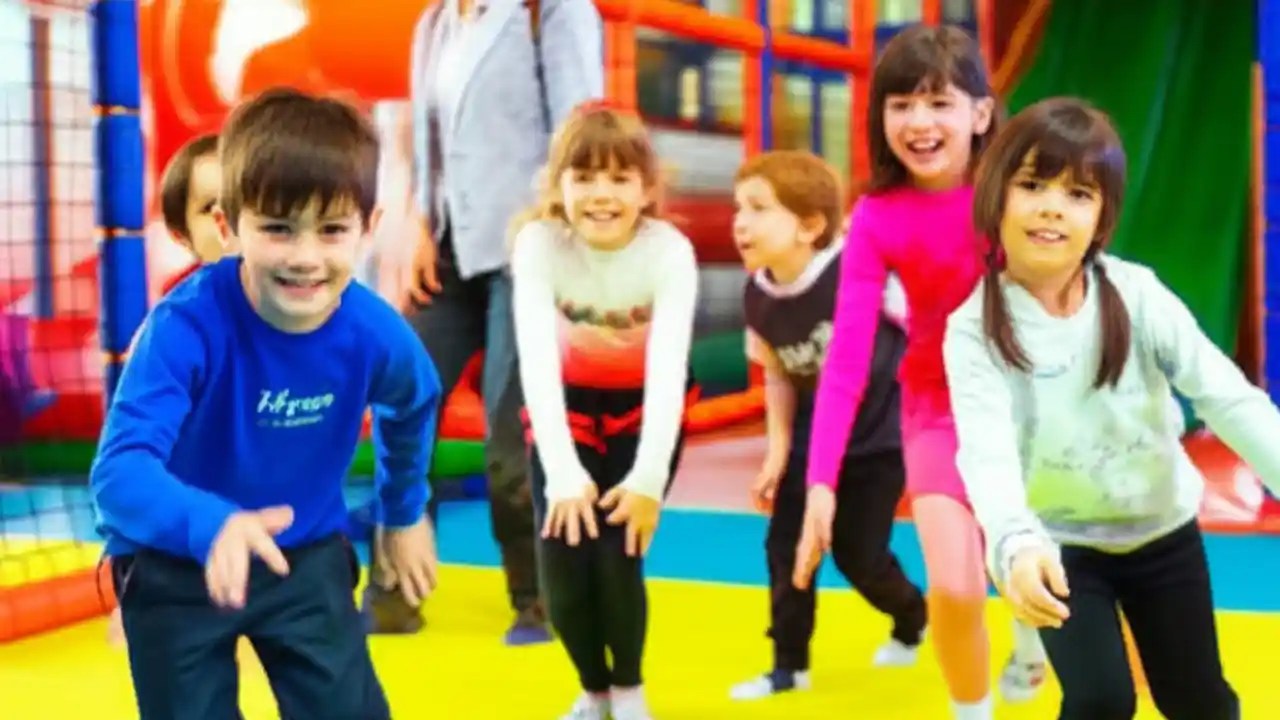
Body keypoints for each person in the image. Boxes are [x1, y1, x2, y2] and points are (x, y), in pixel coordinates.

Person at [89, 87, 441, 720]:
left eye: (332, 230)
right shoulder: (183, 328)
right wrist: (213, 524)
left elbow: (413, 401)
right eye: (278, 228)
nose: (305, 258)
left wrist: (404, 511)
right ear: (229, 227)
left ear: (368, 229)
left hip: (300, 553)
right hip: (176, 560)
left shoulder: (373, 332)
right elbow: (118, 473)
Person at [944, 96, 1255, 720]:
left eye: (1079, 194)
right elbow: (986, 453)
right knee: (1100, 700)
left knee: (1199, 701)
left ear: (1102, 217)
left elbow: (1226, 395)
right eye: (1032, 185)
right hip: (1060, 545)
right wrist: (1016, 545)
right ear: (996, 196)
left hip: (1161, 533)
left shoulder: (1136, 295)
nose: (1053, 206)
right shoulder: (973, 330)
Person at [791, 25, 1047, 719]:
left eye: (939, 102)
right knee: (956, 588)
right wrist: (820, 480)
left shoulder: (1014, 195)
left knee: (1031, 553)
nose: (919, 122)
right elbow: (846, 355)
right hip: (935, 405)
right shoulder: (877, 216)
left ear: (981, 113)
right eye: (901, 104)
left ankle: (1029, 634)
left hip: (1027, 401)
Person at [360, 0, 606, 642]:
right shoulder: (436, 22)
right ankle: (393, 591)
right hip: (447, 247)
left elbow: (580, 137)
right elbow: (429, 146)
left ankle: (539, 596)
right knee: (401, 404)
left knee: (510, 435)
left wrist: (559, 246)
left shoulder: (551, 12)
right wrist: (419, 221)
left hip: (526, 248)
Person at [510, 104, 698, 720]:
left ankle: (629, 689)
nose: (601, 195)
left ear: (646, 190)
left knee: (618, 559)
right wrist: (563, 474)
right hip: (566, 411)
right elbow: (537, 364)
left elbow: (667, 371)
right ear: (558, 184)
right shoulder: (539, 245)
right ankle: (593, 689)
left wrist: (647, 481)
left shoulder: (668, 252)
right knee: (563, 573)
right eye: (584, 177)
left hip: (643, 414)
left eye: (619, 179)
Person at [727, 150, 927, 701]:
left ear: (810, 226)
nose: (740, 221)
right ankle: (788, 665)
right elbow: (778, 374)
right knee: (785, 546)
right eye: (738, 207)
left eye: (758, 208)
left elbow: (923, 324)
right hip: (812, 442)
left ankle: (911, 615)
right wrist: (777, 451)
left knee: (858, 555)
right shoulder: (757, 295)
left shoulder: (859, 269)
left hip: (877, 441)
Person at [157, 133, 232, 293]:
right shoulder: (180, 302)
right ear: (182, 237)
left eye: (247, 199)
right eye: (210, 207)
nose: (234, 216)